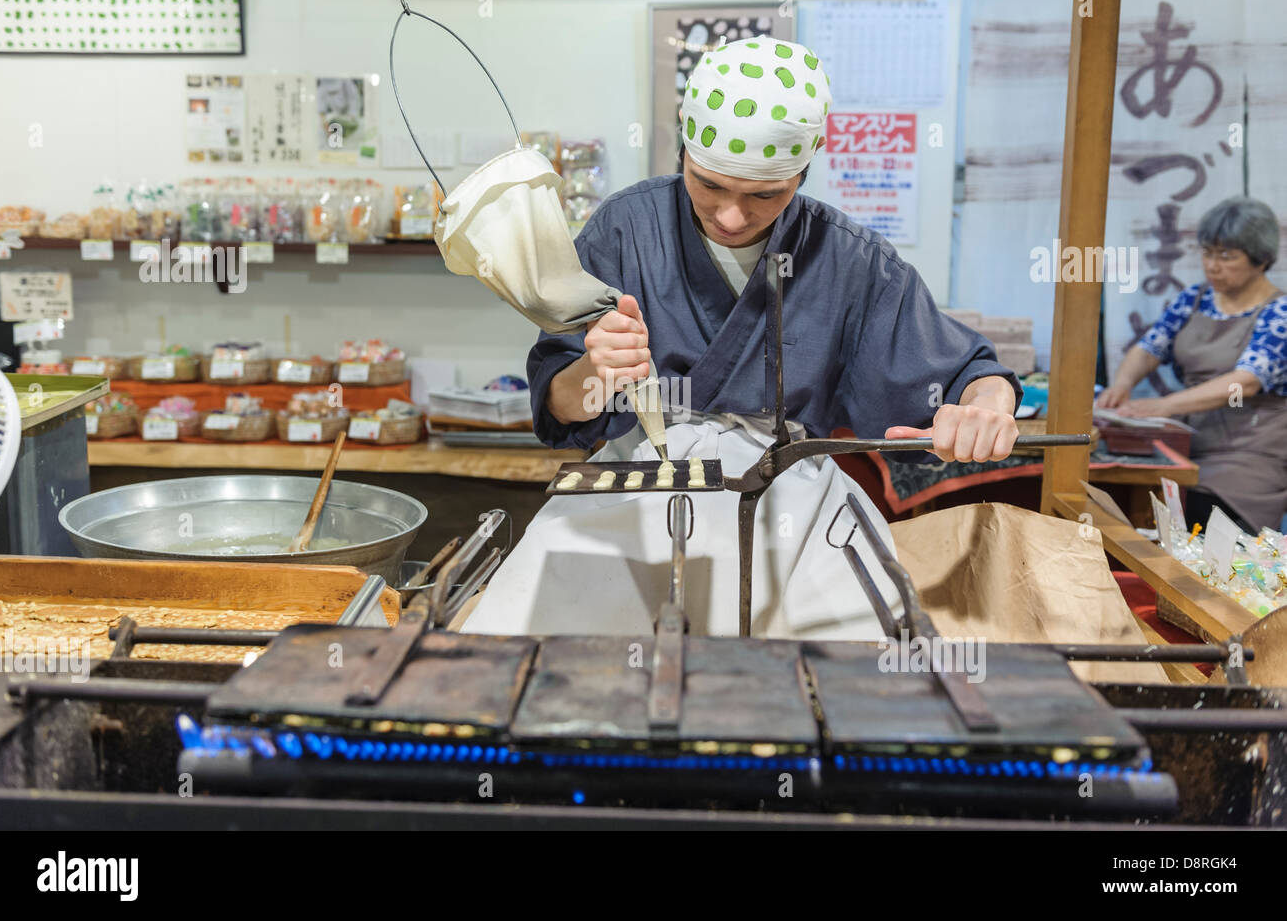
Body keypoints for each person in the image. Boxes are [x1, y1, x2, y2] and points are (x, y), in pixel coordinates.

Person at [461, 36, 1021, 640]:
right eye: (709, 186)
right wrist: (596, 372)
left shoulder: (848, 260)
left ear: (803, 173)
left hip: (788, 495)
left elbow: (968, 375)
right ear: (683, 153)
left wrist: (987, 410)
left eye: (764, 195)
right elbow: (561, 405)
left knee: (858, 672)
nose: (732, 217)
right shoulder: (626, 229)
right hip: (640, 484)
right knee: (539, 650)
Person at [1098, 197, 1287, 532]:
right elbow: (1148, 348)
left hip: (1248, 457)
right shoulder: (1194, 299)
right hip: (1186, 444)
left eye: (1226, 256)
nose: (1212, 265)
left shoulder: (1279, 313)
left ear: (1261, 260)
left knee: (1198, 523)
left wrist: (1162, 406)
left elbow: (1244, 383)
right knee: (1122, 500)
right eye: (1207, 253)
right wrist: (1122, 384)